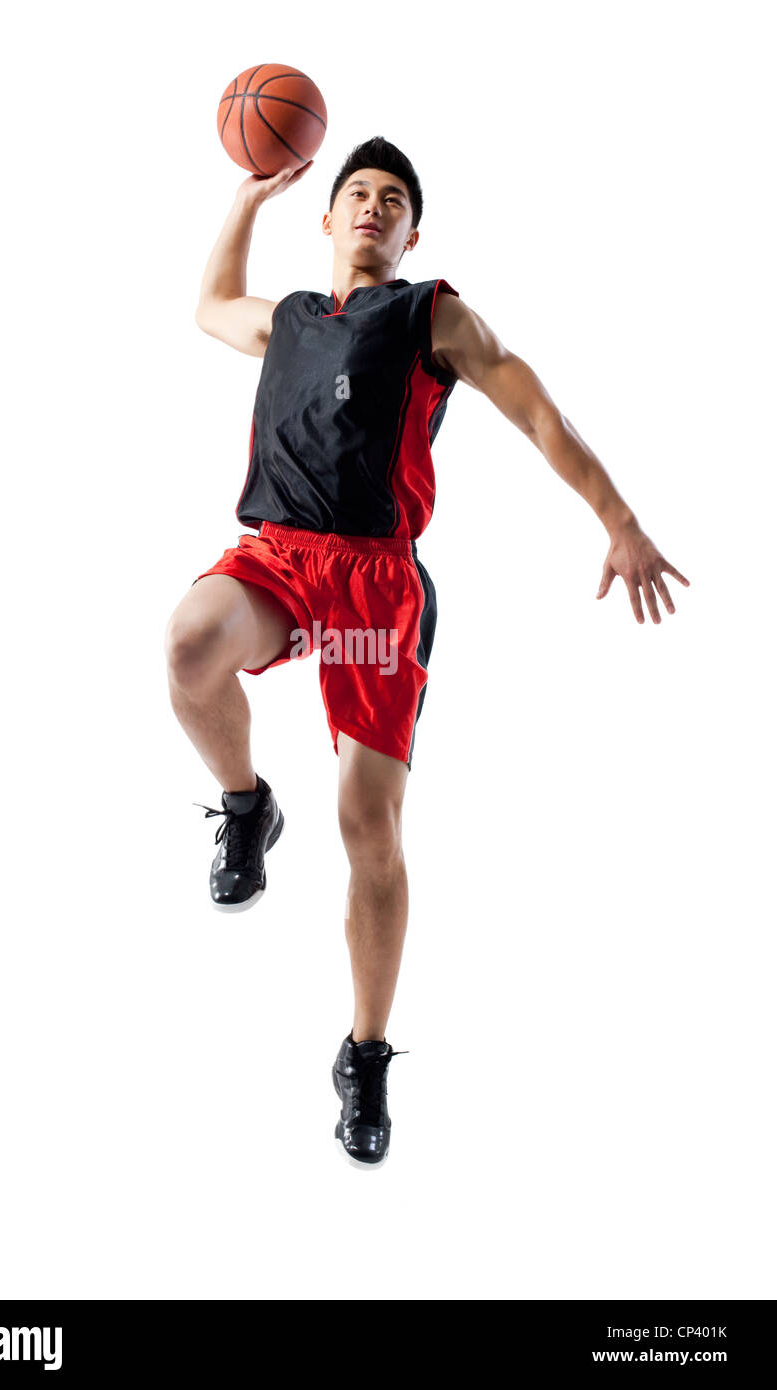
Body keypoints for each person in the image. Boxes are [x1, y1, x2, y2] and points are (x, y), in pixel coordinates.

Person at [164, 135, 690, 1169]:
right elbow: (207, 304)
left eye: (391, 198)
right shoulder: (287, 322)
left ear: (411, 231)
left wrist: (617, 519)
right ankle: (243, 805)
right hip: (278, 558)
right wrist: (244, 196)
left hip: (374, 586)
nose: (370, 205)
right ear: (328, 219)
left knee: (366, 829)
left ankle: (362, 1054)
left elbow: (533, 406)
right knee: (187, 643)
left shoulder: (430, 316)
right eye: (355, 192)